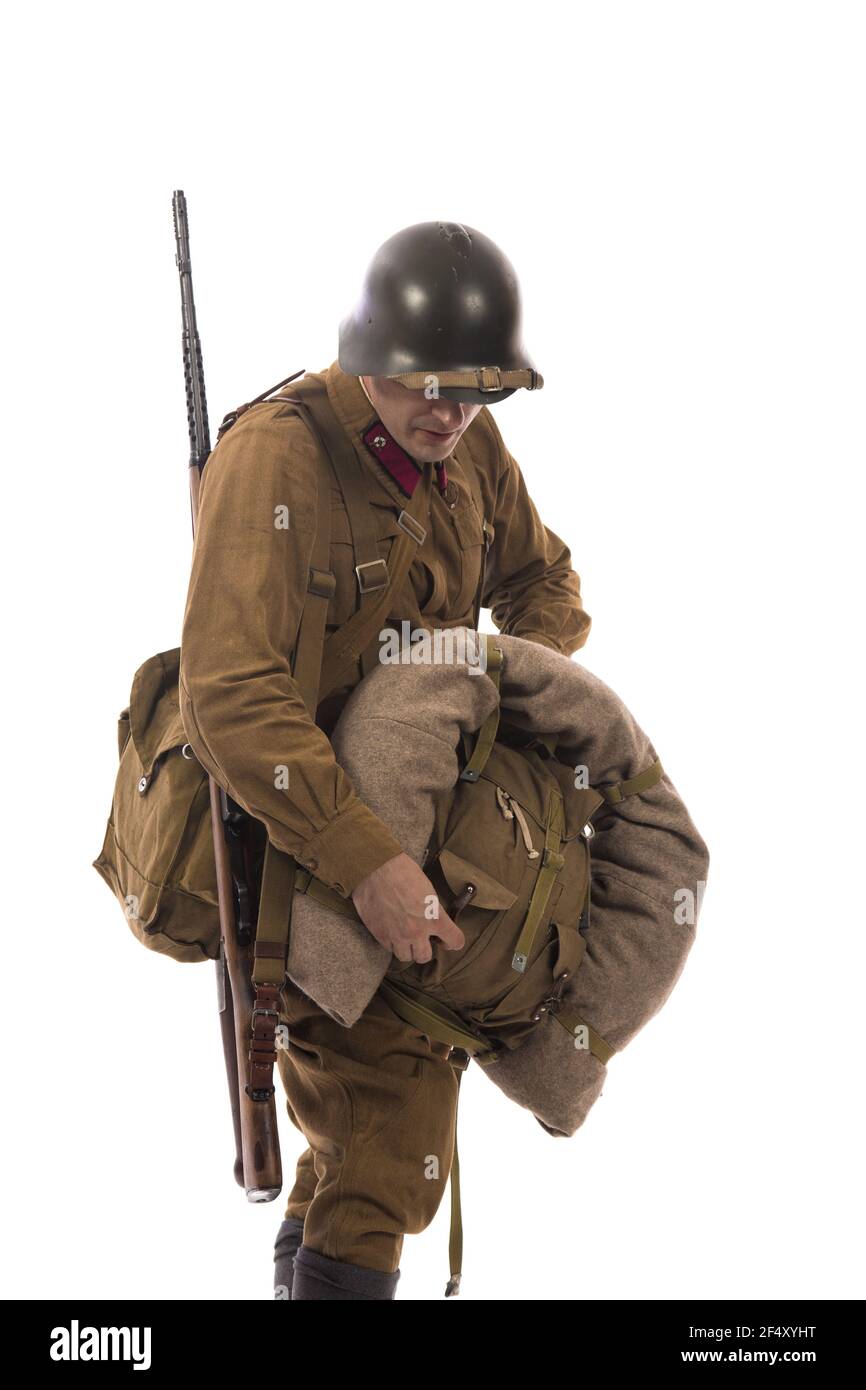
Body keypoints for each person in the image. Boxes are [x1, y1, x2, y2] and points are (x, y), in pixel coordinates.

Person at [179, 221, 591, 1299]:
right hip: (303, 855)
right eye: (430, 386)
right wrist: (368, 862)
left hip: (426, 829)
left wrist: (491, 690)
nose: (450, 413)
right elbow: (229, 690)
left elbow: (544, 584)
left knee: (356, 1138)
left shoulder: (463, 446)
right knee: (391, 1138)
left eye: (475, 393)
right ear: (370, 351)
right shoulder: (277, 456)